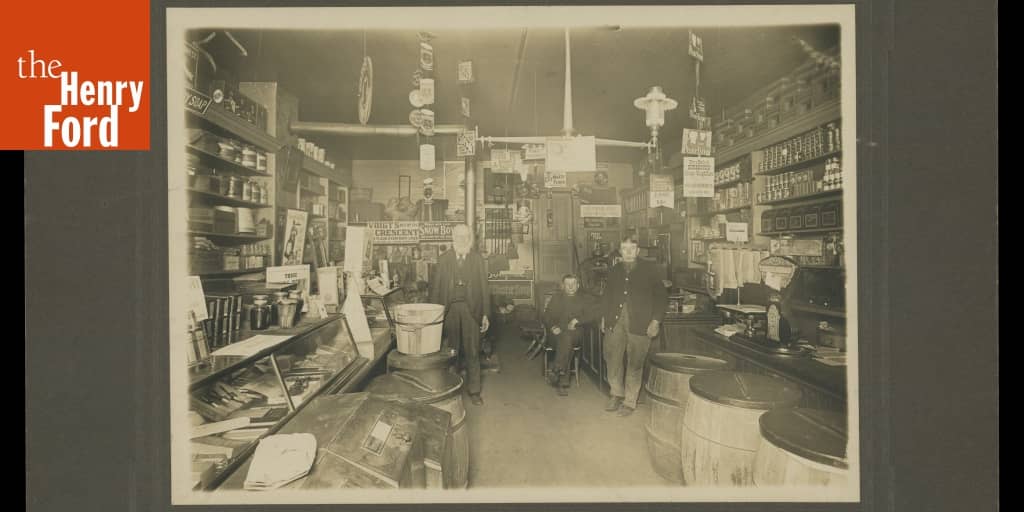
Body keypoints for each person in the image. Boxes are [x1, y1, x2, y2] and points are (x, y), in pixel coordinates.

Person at [600, 235, 668, 416]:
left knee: (635, 363)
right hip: (615, 321)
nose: (628, 252)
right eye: (624, 248)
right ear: (620, 251)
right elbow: (607, 296)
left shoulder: (650, 270)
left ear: (638, 251)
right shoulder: (614, 270)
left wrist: (656, 321)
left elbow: (662, 297)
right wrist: (604, 319)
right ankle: (616, 393)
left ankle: (630, 401)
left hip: (640, 322)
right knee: (612, 358)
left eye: (632, 249)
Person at [428, 224, 490, 406]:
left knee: (472, 351)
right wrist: (433, 314)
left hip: (472, 310)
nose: (462, 239)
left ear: (470, 238)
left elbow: (485, 289)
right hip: (450, 310)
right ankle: (451, 391)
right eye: (459, 236)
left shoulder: (477, 259)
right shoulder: (444, 259)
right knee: (450, 352)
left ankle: (475, 391)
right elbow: (436, 288)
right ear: (452, 237)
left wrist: (486, 314)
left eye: (466, 236)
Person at [542, 274, 597, 396]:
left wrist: (577, 320)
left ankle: (556, 371)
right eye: (567, 284)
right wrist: (553, 327)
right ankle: (561, 380)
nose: (570, 287)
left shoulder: (584, 299)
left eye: (573, 284)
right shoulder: (556, 298)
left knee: (567, 339)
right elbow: (546, 316)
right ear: (563, 286)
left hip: (575, 333)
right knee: (566, 342)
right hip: (556, 334)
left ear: (578, 286)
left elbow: (593, 315)